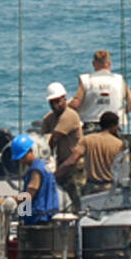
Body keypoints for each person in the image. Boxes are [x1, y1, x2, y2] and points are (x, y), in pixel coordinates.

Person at [40, 81, 86, 211]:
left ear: (65, 99)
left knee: (77, 198)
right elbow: (43, 141)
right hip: (62, 163)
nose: (55, 105)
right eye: (52, 102)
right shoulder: (49, 119)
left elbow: (53, 139)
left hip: (75, 164)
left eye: (58, 101)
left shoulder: (69, 116)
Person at [57, 111, 124, 193]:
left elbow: (71, 161)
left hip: (91, 187)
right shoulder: (119, 144)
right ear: (114, 126)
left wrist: (54, 175)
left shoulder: (87, 140)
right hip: (110, 188)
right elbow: (124, 168)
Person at [70, 50, 131, 129]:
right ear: (109, 64)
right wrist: (121, 114)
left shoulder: (86, 80)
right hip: (113, 126)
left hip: (91, 125)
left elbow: (75, 104)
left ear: (93, 64)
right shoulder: (119, 80)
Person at [9, 134, 60, 223]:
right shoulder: (43, 166)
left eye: (23, 157)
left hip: (39, 218)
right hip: (47, 215)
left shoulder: (36, 170)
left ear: (31, 151)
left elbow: (29, 195)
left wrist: (12, 200)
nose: (21, 161)